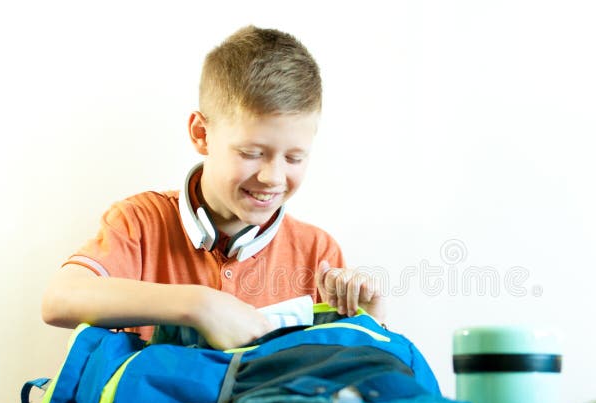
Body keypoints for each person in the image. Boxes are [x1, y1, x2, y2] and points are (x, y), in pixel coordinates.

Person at [41, 26, 386, 350]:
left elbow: (349, 381)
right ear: (201, 134)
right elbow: (59, 299)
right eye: (252, 153)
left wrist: (371, 320)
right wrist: (199, 304)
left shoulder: (318, 252)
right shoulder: (139, 223)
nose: (274, 177)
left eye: (294, 158)